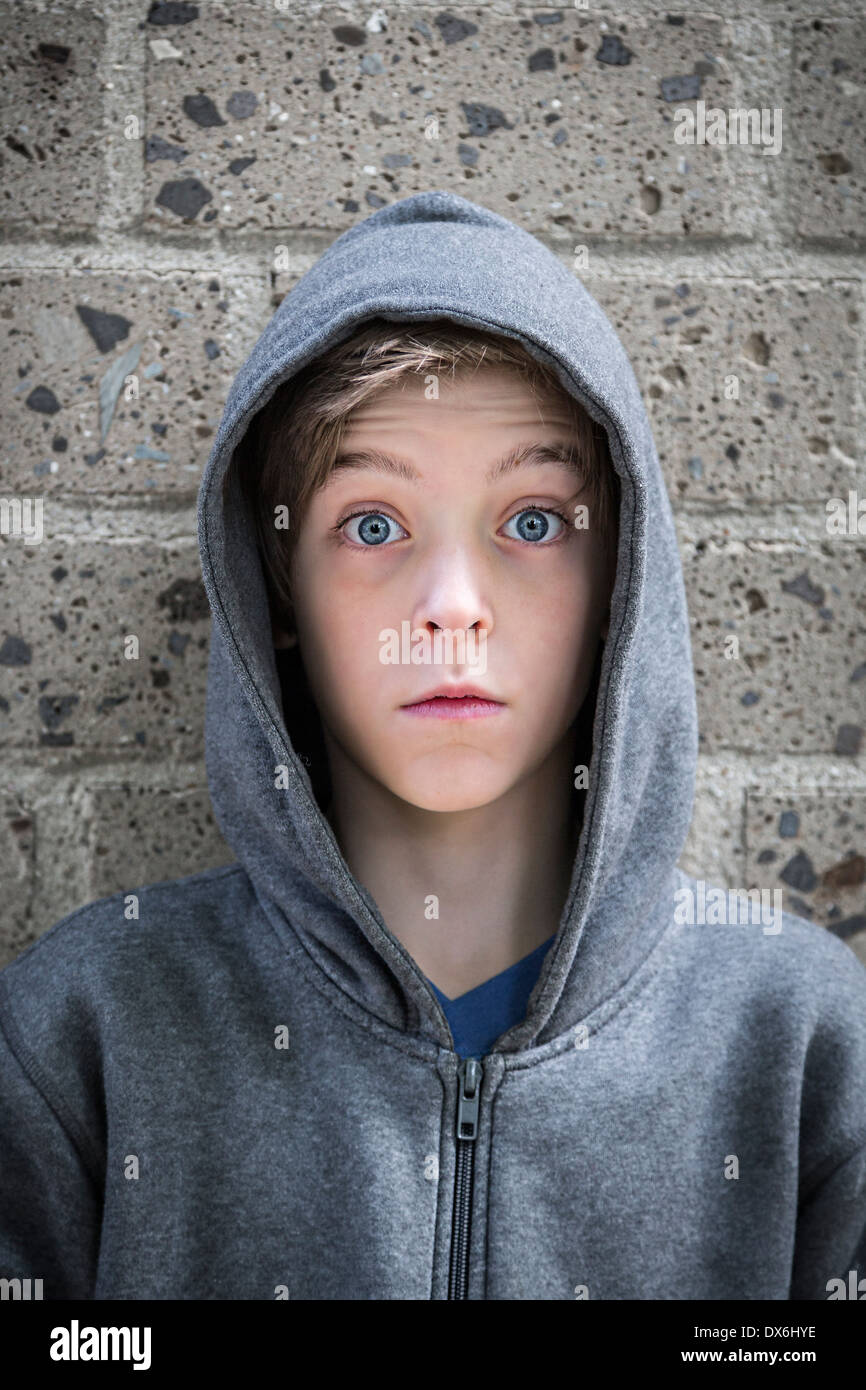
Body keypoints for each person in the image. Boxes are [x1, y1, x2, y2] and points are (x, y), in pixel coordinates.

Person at [0, 190, 864, 1300]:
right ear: (277, 593)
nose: (451, 606)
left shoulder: (803, 1049)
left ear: (618, 585)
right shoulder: (83, 1033)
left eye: (534, 521)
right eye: (371, 524)